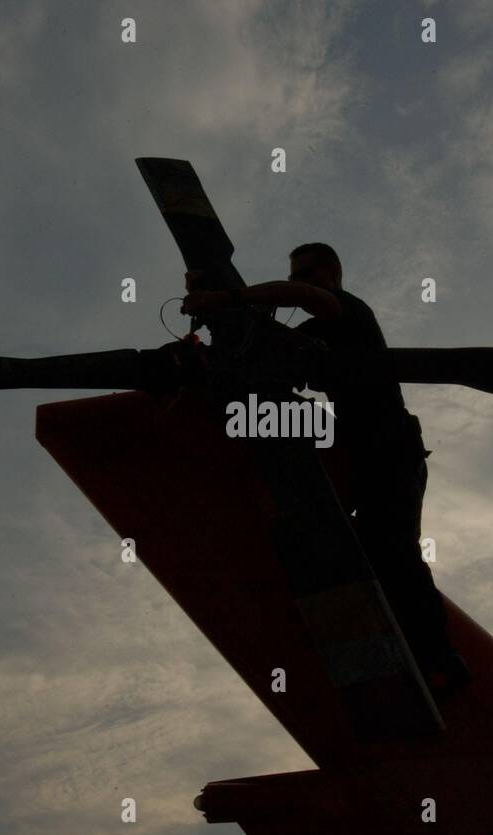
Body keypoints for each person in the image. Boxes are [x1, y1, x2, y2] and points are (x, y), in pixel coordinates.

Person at [184, 243, 471, 697]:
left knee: (393, 549)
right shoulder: (313, 336)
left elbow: (304, 299)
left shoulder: (347, 310)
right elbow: (263, 343)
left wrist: (227, 299)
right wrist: (219, 324)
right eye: (295, 273)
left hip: (391, 450)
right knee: (352, 545)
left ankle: (439, 657)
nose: (300, 280)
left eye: (307, 272)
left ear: (333, 272)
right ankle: (381, 644)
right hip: (353, 452)